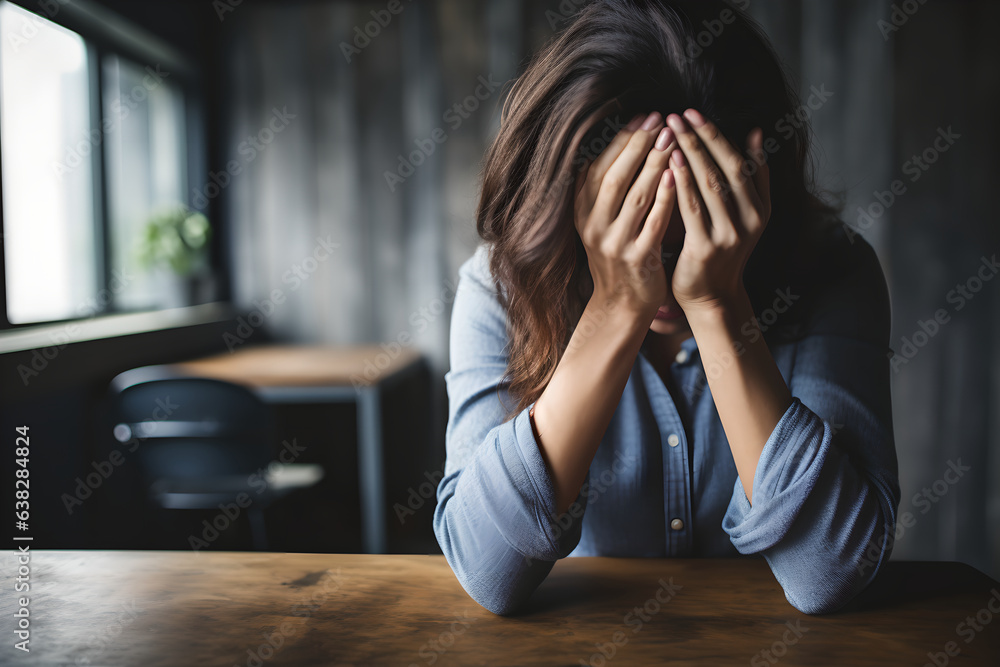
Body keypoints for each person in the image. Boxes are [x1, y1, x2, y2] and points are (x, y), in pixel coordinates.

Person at [433, 0, 900, 616]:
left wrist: (718, 304)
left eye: (699, 215)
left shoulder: (833, 273)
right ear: (565, 194)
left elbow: (834, 570)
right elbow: (484, 569)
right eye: (630, 210)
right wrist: (616, 307)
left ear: (757, 179)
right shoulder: (503, 286)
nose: (664, 259)